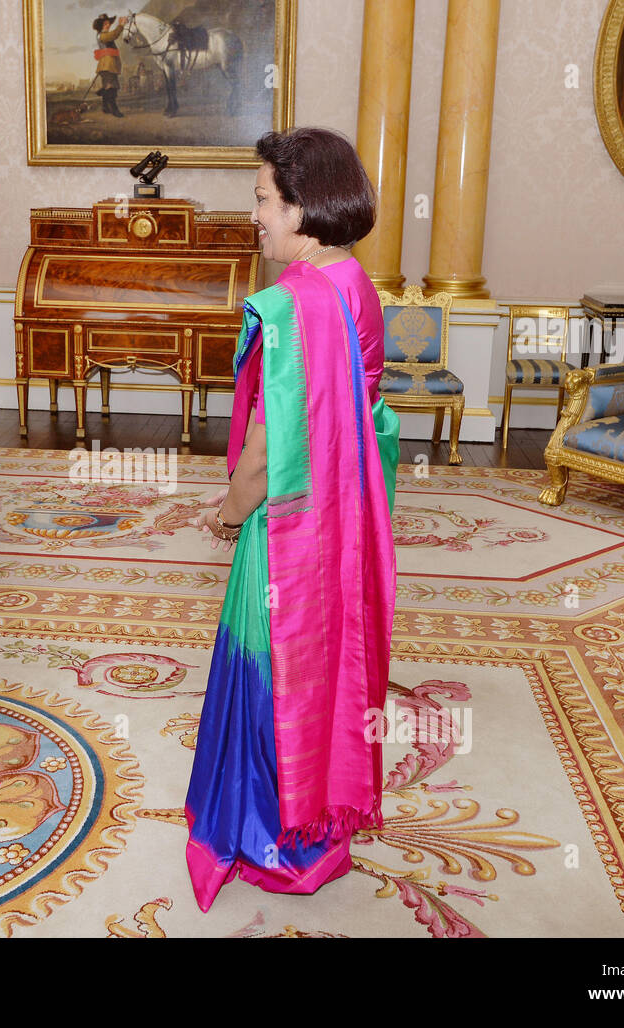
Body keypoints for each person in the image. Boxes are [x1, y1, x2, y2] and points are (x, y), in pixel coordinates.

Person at [185, 127, 400, 910]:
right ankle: (319, 819)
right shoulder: (354, 282)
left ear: (307, 207)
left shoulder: (293, 303)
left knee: (275, 660)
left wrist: (230, 512)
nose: (255, 217)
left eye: (264, 201)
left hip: (294, 524)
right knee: (330, 654)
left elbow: (273, 452)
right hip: (346, 510)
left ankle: (270, 829)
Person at [92, 13, 128, 118]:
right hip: (107, 66)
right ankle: (114, 110)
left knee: (108, 87)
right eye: (105, 24)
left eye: (108, 23)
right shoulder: (103, 35)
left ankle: (105, 107)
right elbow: (114, 35)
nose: (108, 25)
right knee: (111, 88)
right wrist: (121, 25)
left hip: (109, 65)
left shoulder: (103, 34)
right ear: (101, 25)